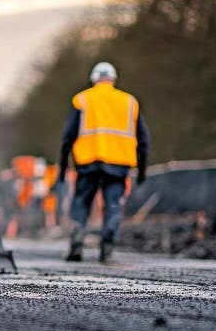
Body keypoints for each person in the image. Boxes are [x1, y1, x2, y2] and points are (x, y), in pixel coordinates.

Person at [58, 61, 149, 263]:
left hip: (88, 161)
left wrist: (63, 165)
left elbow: (68, 136)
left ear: (94, 79)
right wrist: (142, 170)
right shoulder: (130, 102)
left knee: (81, 202)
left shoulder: (82, 99)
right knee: (114, 205)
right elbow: (143, 139)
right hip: (119, 162)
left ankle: (76, 244)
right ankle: (107, 249)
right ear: (113, 79)